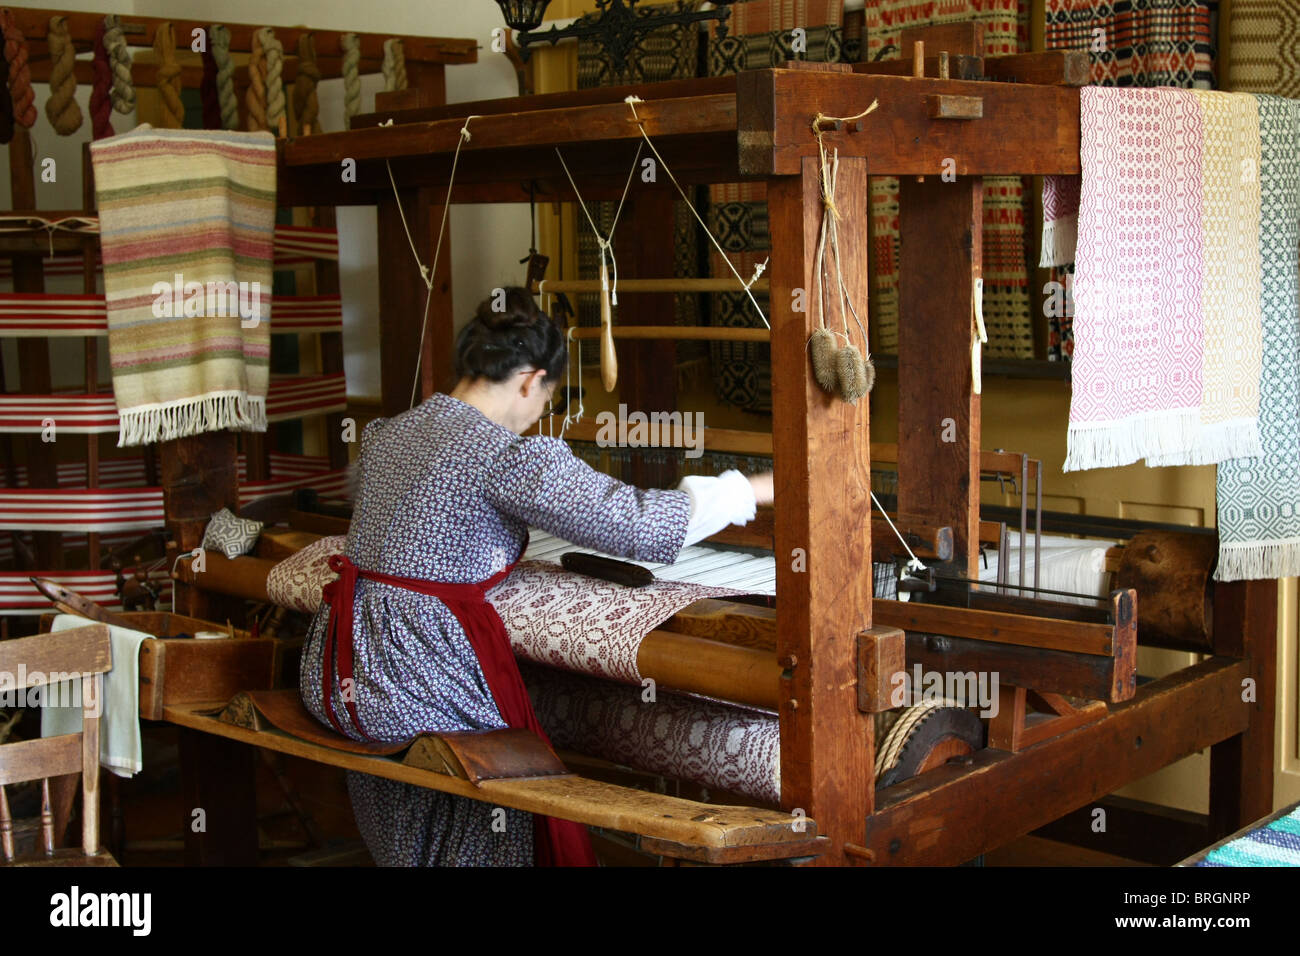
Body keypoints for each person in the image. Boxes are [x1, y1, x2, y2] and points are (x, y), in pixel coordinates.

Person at [299, 286, 774, 866]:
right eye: (546, 402)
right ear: (530, 378)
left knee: (408, 826)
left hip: (340, 667)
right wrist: (746, 489)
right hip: (413, 681)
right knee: (480, 830)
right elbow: (638, 526)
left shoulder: (387, 434)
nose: (538, 417)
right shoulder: (506, 457)